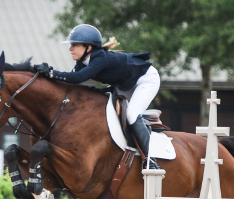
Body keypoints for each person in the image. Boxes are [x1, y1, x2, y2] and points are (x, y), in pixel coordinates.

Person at [33, 24, 161, 169]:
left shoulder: (100, 57)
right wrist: (46, 77)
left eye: (74, 45)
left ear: (88, 47)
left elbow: (78, 77)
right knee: (107, 112)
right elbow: (71, 83)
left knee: (131, 114)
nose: (70, 49)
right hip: (124, 84)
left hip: (145, 79)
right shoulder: (82, 62)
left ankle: (150, 159)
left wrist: (52, 73)